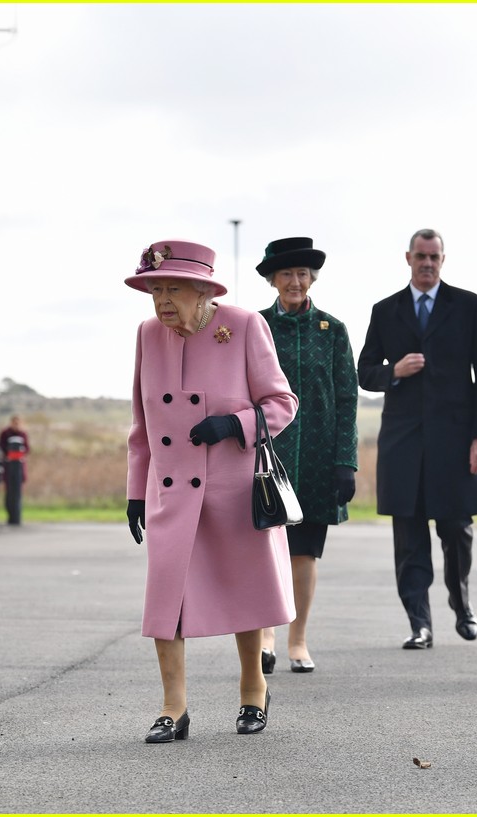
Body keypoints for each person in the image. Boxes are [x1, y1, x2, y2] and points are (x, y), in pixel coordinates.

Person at [124, 239, 298, 743]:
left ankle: (253, 689)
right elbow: (141, 426)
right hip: (172, 491)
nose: (162, 300)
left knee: (244, 592)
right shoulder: (147, 335)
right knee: (167, 600)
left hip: (233, 488)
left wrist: (234, 423)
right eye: (155, 289)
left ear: (203, 292)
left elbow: (283, 403)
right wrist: (137, 491)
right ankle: (172, 707)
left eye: (173, 288)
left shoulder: (243, 326)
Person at [357, 228, 477, 649]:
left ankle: (461, 601)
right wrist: (393, 372)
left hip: (456, 442)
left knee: (457, 530)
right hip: (403, 443)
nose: (428, 263)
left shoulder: (469, 306)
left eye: (434, 257)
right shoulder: (386, 311)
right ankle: (419, 622)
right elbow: (364, 371)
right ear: (408, 258)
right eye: (421, 256)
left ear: (443, 259)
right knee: (409, 535)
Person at [255, 237, 359, 675]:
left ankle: (298, 639)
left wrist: (346, 461)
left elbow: (347, 397)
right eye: (286, 274)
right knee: (263, 548)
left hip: (318, 458)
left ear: (311, 277)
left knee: (304, 553)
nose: (295, 282)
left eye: (302, 274)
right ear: (273, 279)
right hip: (265, 455)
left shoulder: (332, 330)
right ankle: (265, 635)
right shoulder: (254, 326)